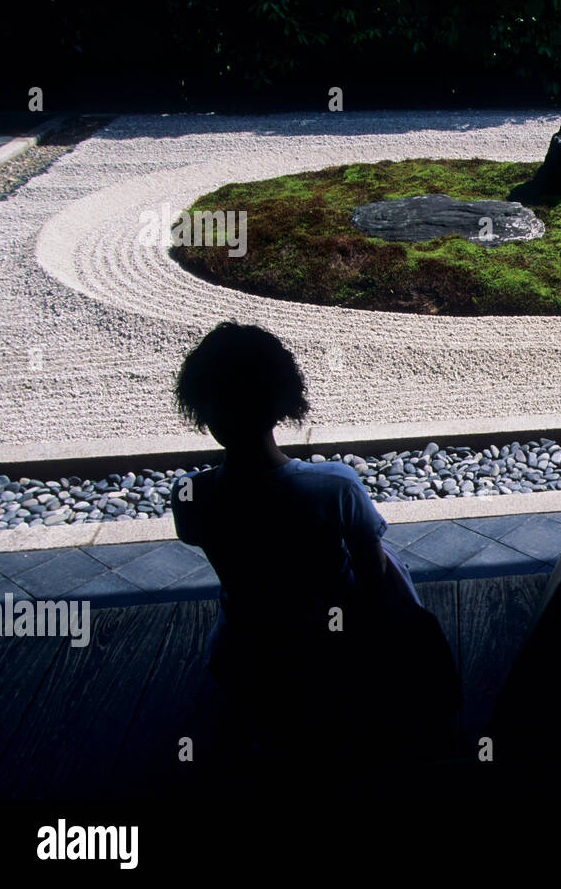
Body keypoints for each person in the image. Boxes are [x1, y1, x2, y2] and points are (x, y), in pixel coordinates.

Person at [169, 321, 456, 792]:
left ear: (205, 412)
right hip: (333, 645)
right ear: (281, 401)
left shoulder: (191, 495)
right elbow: (372, 573)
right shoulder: (335, 485)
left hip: (245, 653)